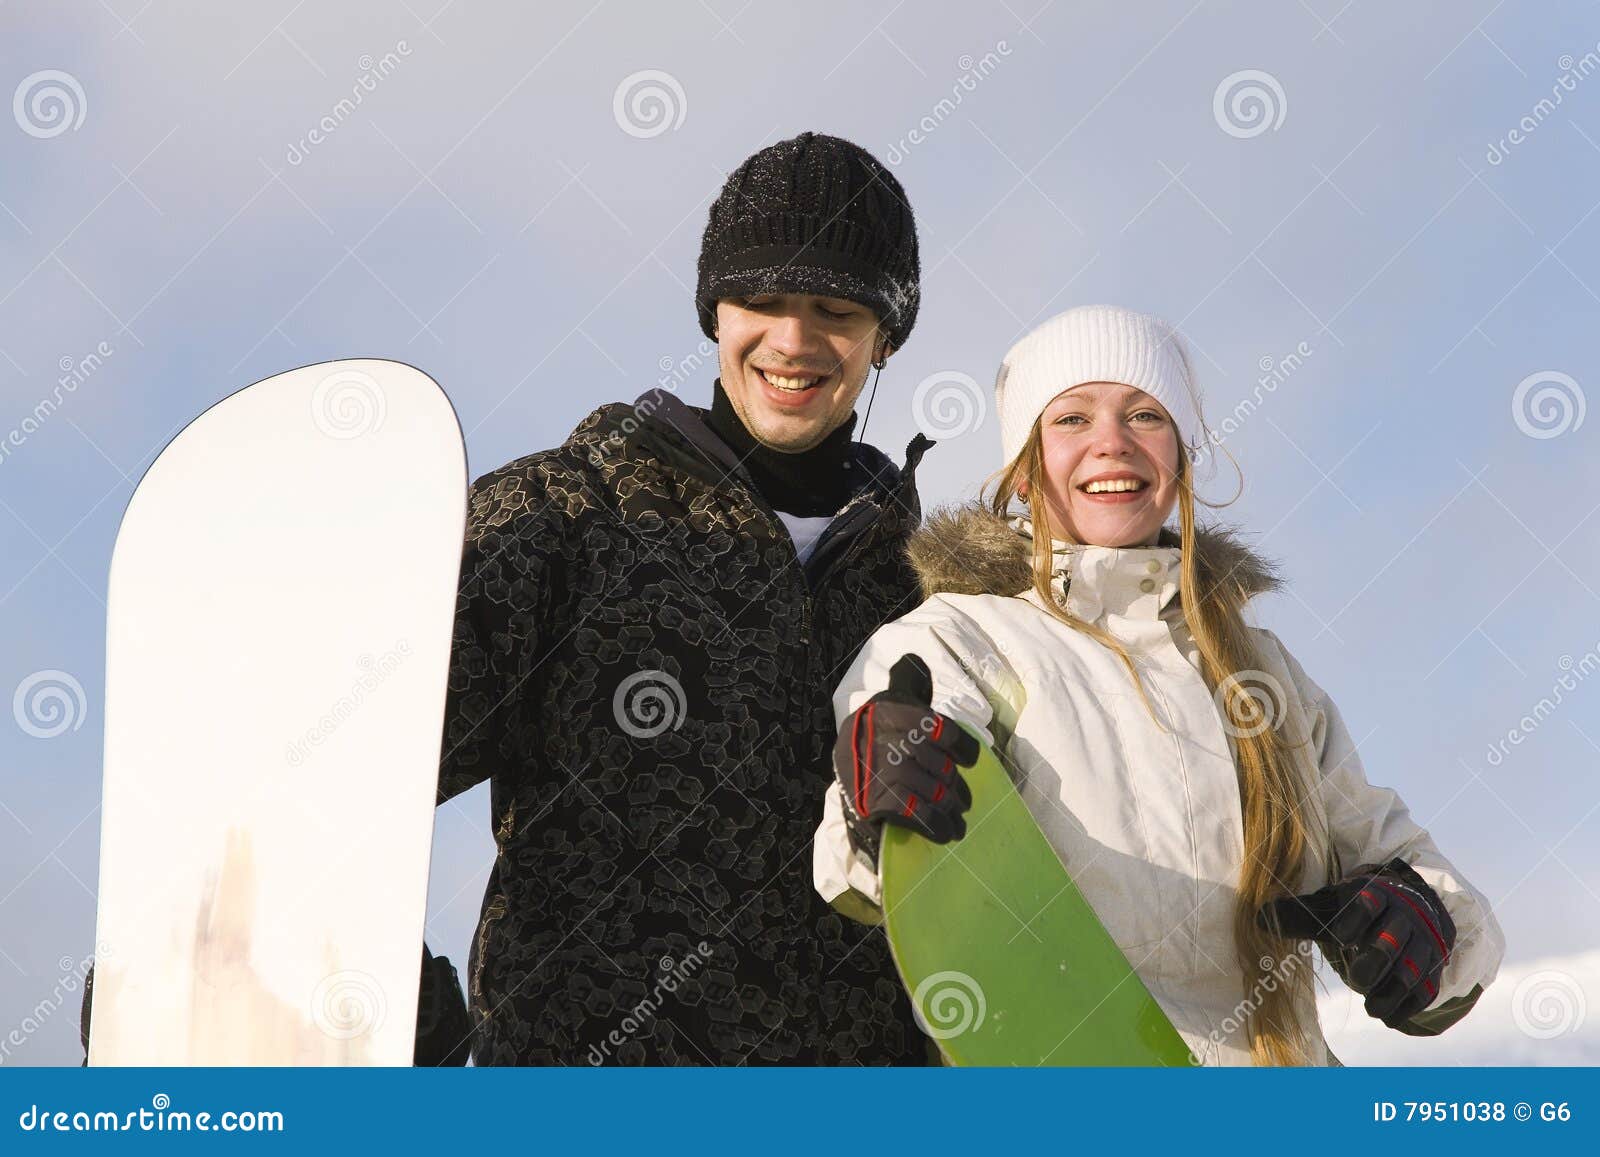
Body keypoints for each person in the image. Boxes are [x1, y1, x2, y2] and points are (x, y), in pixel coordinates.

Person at [815, 304, 1505, 1065]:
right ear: (1022, 464)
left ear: (1181, 453)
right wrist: (877, 783)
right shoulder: (962, 639)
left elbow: (1401, 858)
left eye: (1144, 414)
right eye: (1072, 418)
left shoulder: (1262, 671)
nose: (1112, 441)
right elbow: (864, 856)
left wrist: (1425, 924)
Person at [434, 131, 937, 1064]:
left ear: (887, 334)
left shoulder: (929, 589)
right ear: (715, 313)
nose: (792, 340)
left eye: (833, 306)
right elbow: (355, 770)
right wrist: (358, 986)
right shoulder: (564, 518)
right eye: (762, 300)